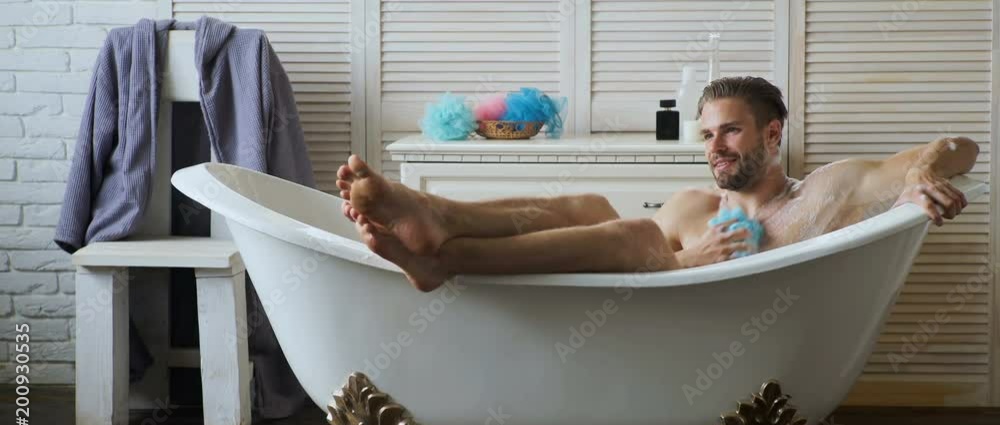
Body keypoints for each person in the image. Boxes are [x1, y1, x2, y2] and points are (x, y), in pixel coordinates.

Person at [336, 76, 978, 292]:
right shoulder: (693, 205)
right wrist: (685, 260)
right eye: (707, 136)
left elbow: (959, 148)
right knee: (590, 206)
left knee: (637, 233)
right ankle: (438, 220)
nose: (715, 149)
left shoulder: (828, 191)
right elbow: (631, 291)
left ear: (773, 134)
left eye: (730, 132)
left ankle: (443, 258)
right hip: (637, 338)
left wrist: (924, 167)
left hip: (738, 348)